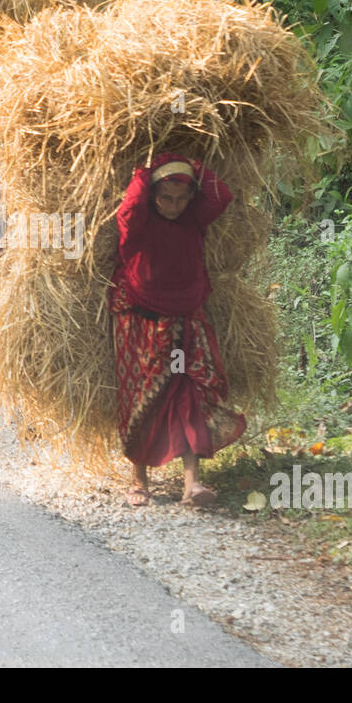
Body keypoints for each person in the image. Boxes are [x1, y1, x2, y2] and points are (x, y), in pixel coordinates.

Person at [108, 151, 249, 507]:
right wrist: (149, 169)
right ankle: (139, 481)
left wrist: (188, 164)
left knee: (184, 391)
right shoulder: (138, 224)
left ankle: (193, 484)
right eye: (165, 198)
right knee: (142, 398)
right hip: (142, 322)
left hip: (182, 324)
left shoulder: (192, 223)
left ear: (190, 199)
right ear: (153, 196)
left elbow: (221, 195)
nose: (173, 206)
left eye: (181, 199)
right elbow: (130, 206)